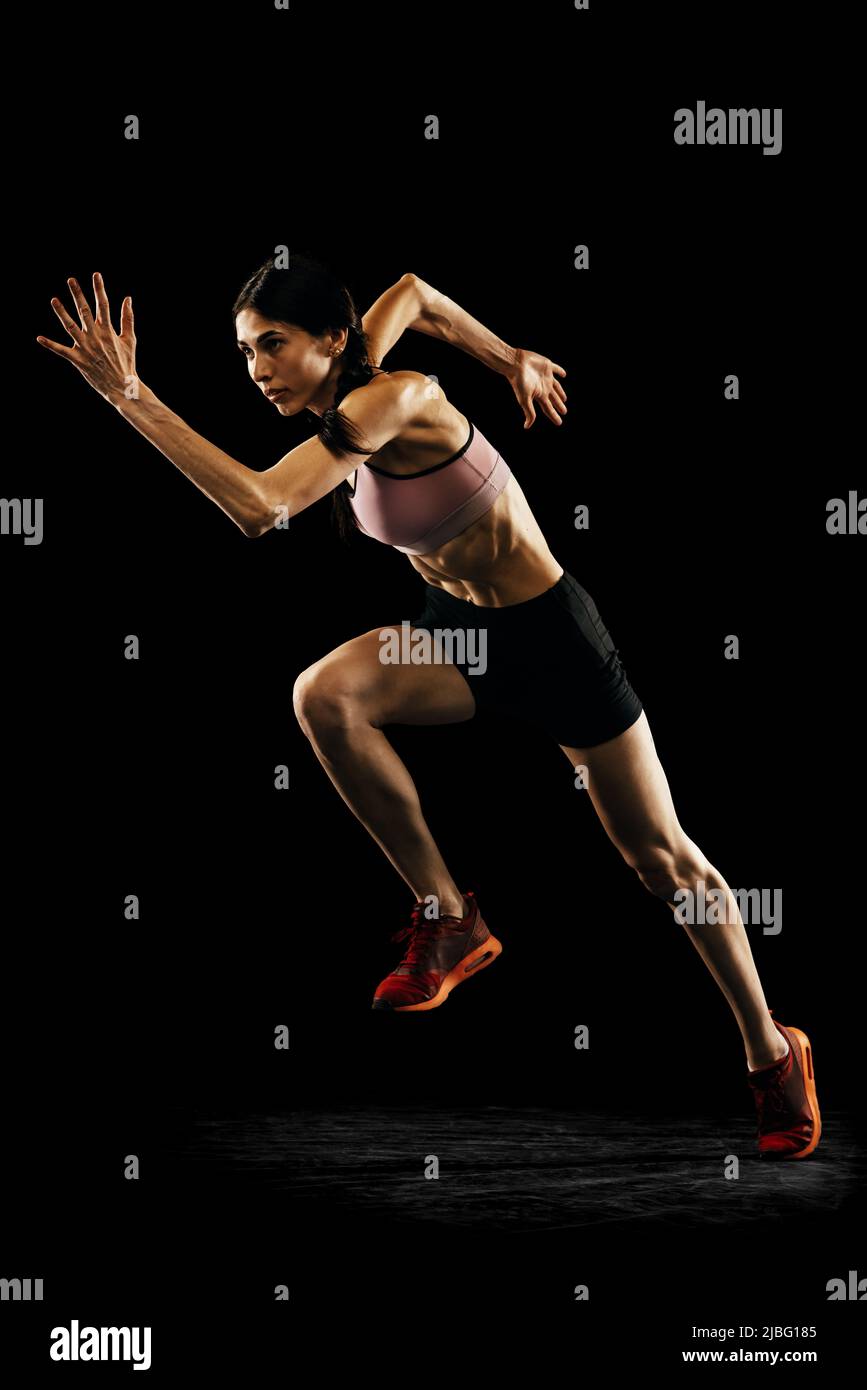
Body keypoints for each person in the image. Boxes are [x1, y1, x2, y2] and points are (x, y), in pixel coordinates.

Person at [36, 256, 821, 1159]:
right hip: (458, 635)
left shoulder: (388, 398)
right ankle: (449, 916)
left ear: (332, 339)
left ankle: (771, 1051)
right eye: (246, 352)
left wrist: (131, 396)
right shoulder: (360, 358)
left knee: (661, 860)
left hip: (554, 642)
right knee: (325, 695)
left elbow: (259, 508)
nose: (257, 369)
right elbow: (414, 292)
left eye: (274, 346)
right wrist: (510, 355)